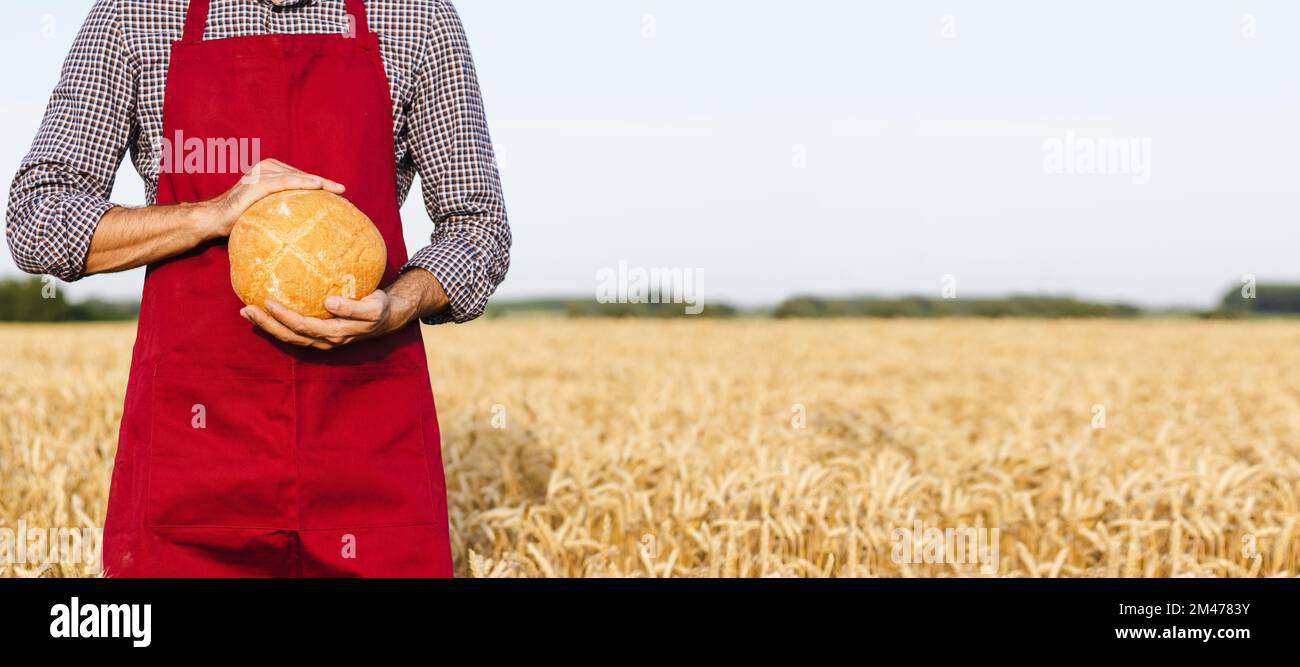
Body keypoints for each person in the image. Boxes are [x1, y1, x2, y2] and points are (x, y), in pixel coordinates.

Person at [4, 0, 511, 576]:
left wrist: (400, 303)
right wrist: (210, 215)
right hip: (194, 458)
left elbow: (479, 227)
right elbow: (36, 219)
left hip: (366, 442)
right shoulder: (136, 15)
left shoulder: (417, 18)